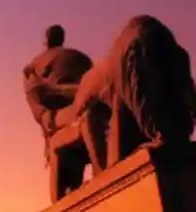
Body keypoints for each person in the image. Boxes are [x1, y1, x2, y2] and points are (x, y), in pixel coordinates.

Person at [69, 15, 196, 173]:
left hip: (133, 48)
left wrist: (103, 173)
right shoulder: (104, 72)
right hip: (158, 36)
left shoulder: (91, 81)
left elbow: (89, 121)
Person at [22, 25, 94, 201]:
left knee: (61, 177)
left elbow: (35, 93)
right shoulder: (81, 58)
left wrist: (45, 119)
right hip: (89, 104)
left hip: (64, 116)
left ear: (47, 40)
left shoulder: (35, 65)